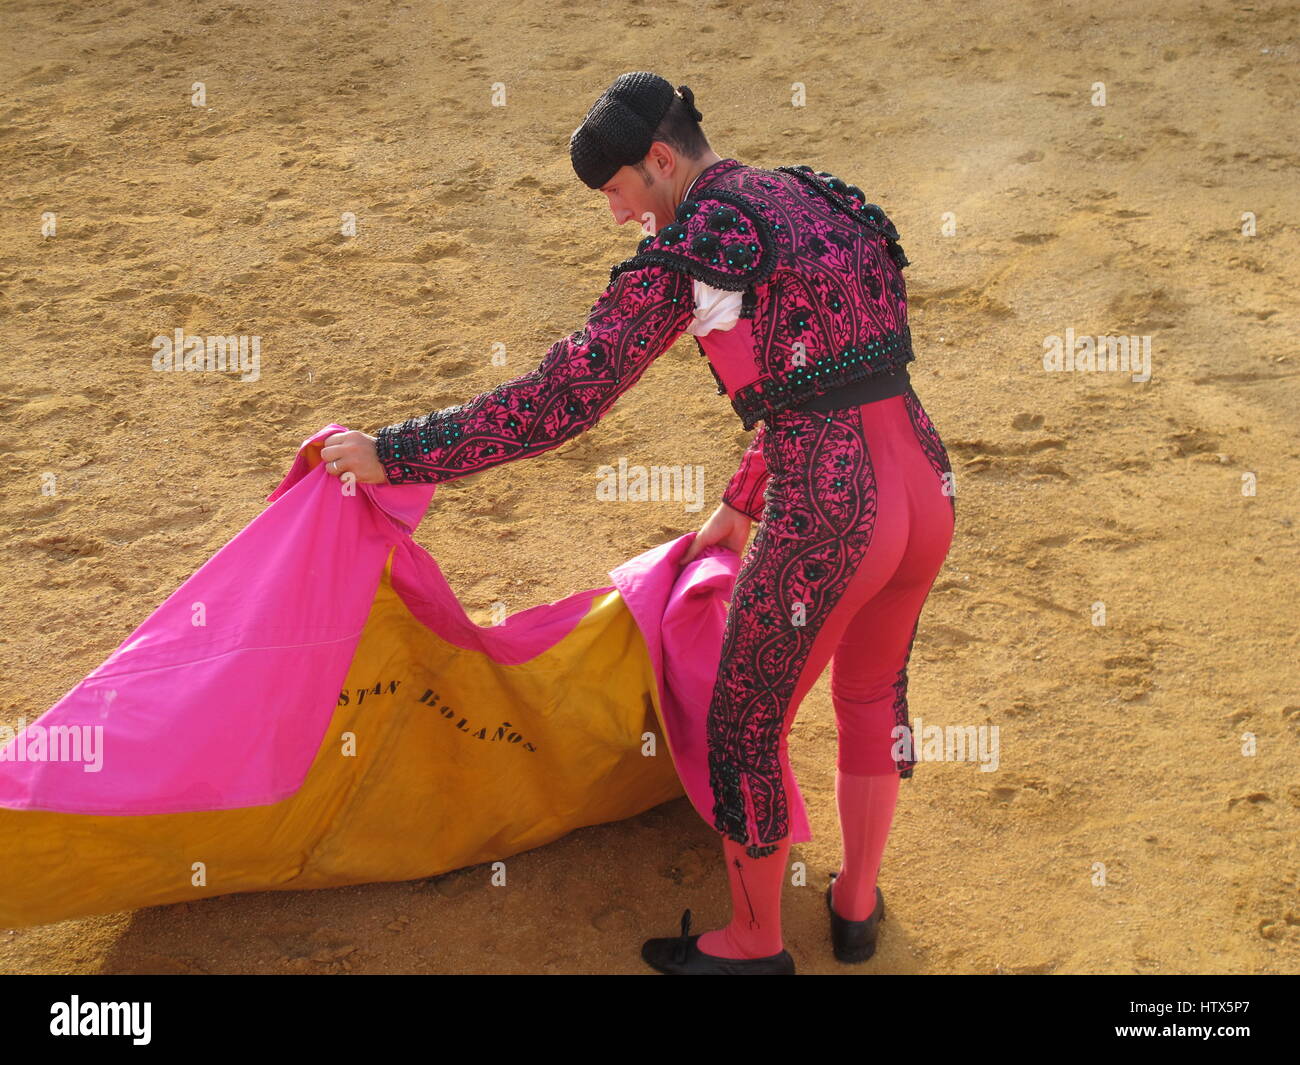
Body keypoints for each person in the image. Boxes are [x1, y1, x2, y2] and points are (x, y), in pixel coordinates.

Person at [319, 71, 956, 975]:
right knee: (871, 689)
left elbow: (565, 396)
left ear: (661, 160)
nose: (619, 216)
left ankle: (754, 945)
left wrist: (401, 449)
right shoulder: (814, 197)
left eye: (618, 190)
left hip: (832, 509)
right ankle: (856, 909)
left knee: (744, 725)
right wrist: (742, 499)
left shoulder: (700, 245)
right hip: (927, 487)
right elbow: (841, 367)